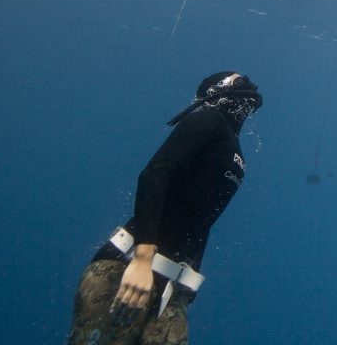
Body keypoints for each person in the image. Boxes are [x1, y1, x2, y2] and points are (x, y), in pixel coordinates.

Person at [66, 72, 263, 345]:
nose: (249, 88)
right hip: (129, 268)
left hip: (169, 290)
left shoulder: (235, 151)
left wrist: (185, 291)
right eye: (240, 82)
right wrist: (142, 260)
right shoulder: (207, 119)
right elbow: (154, 175)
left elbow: (201, 220)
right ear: (215, 91)